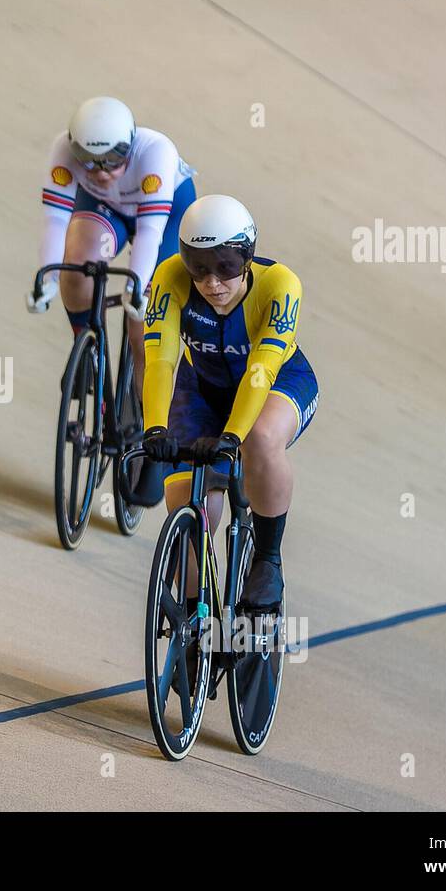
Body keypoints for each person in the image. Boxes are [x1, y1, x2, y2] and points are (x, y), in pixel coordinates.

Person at [139, 195, 318, 613]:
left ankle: (267, 560)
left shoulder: (280, 285)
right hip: (201, 387)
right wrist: (155, 429)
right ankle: (195, 619)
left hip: (278, 380)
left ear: (248, 257)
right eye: (198, 267)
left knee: (259, 438)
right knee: (186, 501)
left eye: (226, 267)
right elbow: (161, 361)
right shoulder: (170, 278)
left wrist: (231, 437)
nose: (212, 282)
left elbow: (261, 369)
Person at [26, 96, 198, 502]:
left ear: (131, 144)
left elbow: (152, 233)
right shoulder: (62, 151)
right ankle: (87, 345)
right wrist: (45, 279)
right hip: (107, 211)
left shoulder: (156, 152)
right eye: (89, 161)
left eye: (113, 159)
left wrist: (139, 286)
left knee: (146, 328)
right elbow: (55, 220)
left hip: (164, 213)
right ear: (74, 149)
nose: (101, 172)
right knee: (77, 263)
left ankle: (154, 428)